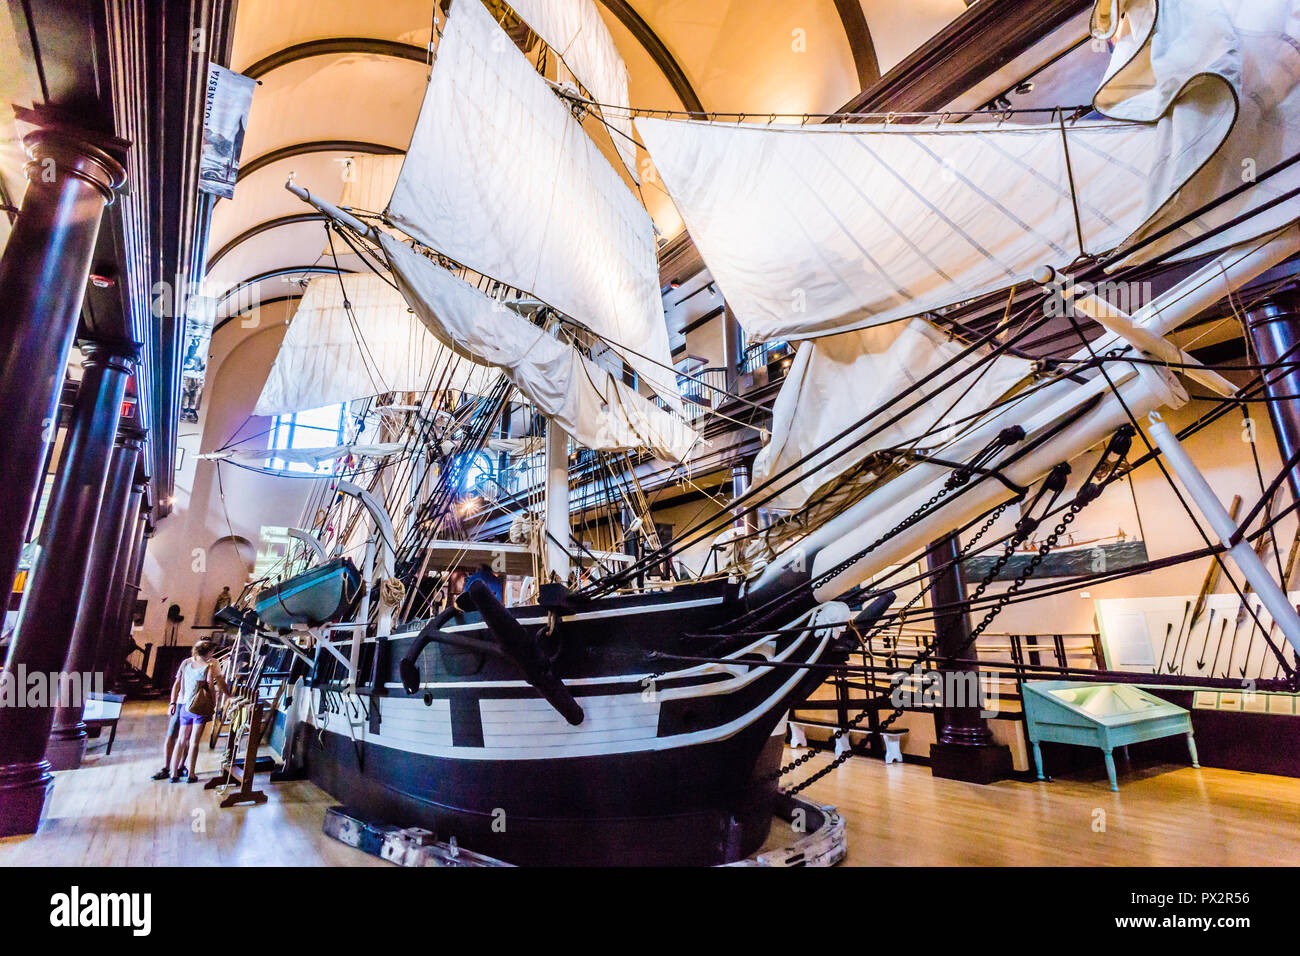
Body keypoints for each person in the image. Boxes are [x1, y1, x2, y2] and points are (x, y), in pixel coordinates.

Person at [151, 639, 228, 783]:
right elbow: (210, 687)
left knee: (182, 739)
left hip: (186, 705)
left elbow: (182, 683)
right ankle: (183, 772)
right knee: (189, 740)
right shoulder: (201, 665)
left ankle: (176, 770)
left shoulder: (193, 665)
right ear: (207, 651)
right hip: (192, 705)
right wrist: (214, 703)